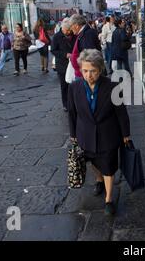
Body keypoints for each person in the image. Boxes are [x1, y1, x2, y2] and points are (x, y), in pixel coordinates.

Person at [68, 49, 131, 216]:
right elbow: (72, 113)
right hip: (85, 135)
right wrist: (73, 134)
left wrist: (126, 134)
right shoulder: (74, 87)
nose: (89, 75)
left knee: (108, 167)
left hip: (108, 134)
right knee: (92, 162)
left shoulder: (113, 86)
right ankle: (98, 179)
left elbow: (121, 113)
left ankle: (109, 199)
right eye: (85, 71)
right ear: (81, 69)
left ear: (101, 69)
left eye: (93, 71)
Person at [51, 18, 76, 112]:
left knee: (73, 84)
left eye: (70, 30)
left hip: (73, 64)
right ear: (63, 28)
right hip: (62, 64)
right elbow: (53, 50)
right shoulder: (57, 37)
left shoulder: (74, 35)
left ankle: (73, 102)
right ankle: (65, 104)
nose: (69, 32)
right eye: (67, 30)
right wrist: (65, 55)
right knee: (64, 85)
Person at [69, 14, 101, 78]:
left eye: (71, 26)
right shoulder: (85, 33)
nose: (71, 29)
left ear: (76, 25)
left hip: (85, 75)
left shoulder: (86, 35)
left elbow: (90, 56)